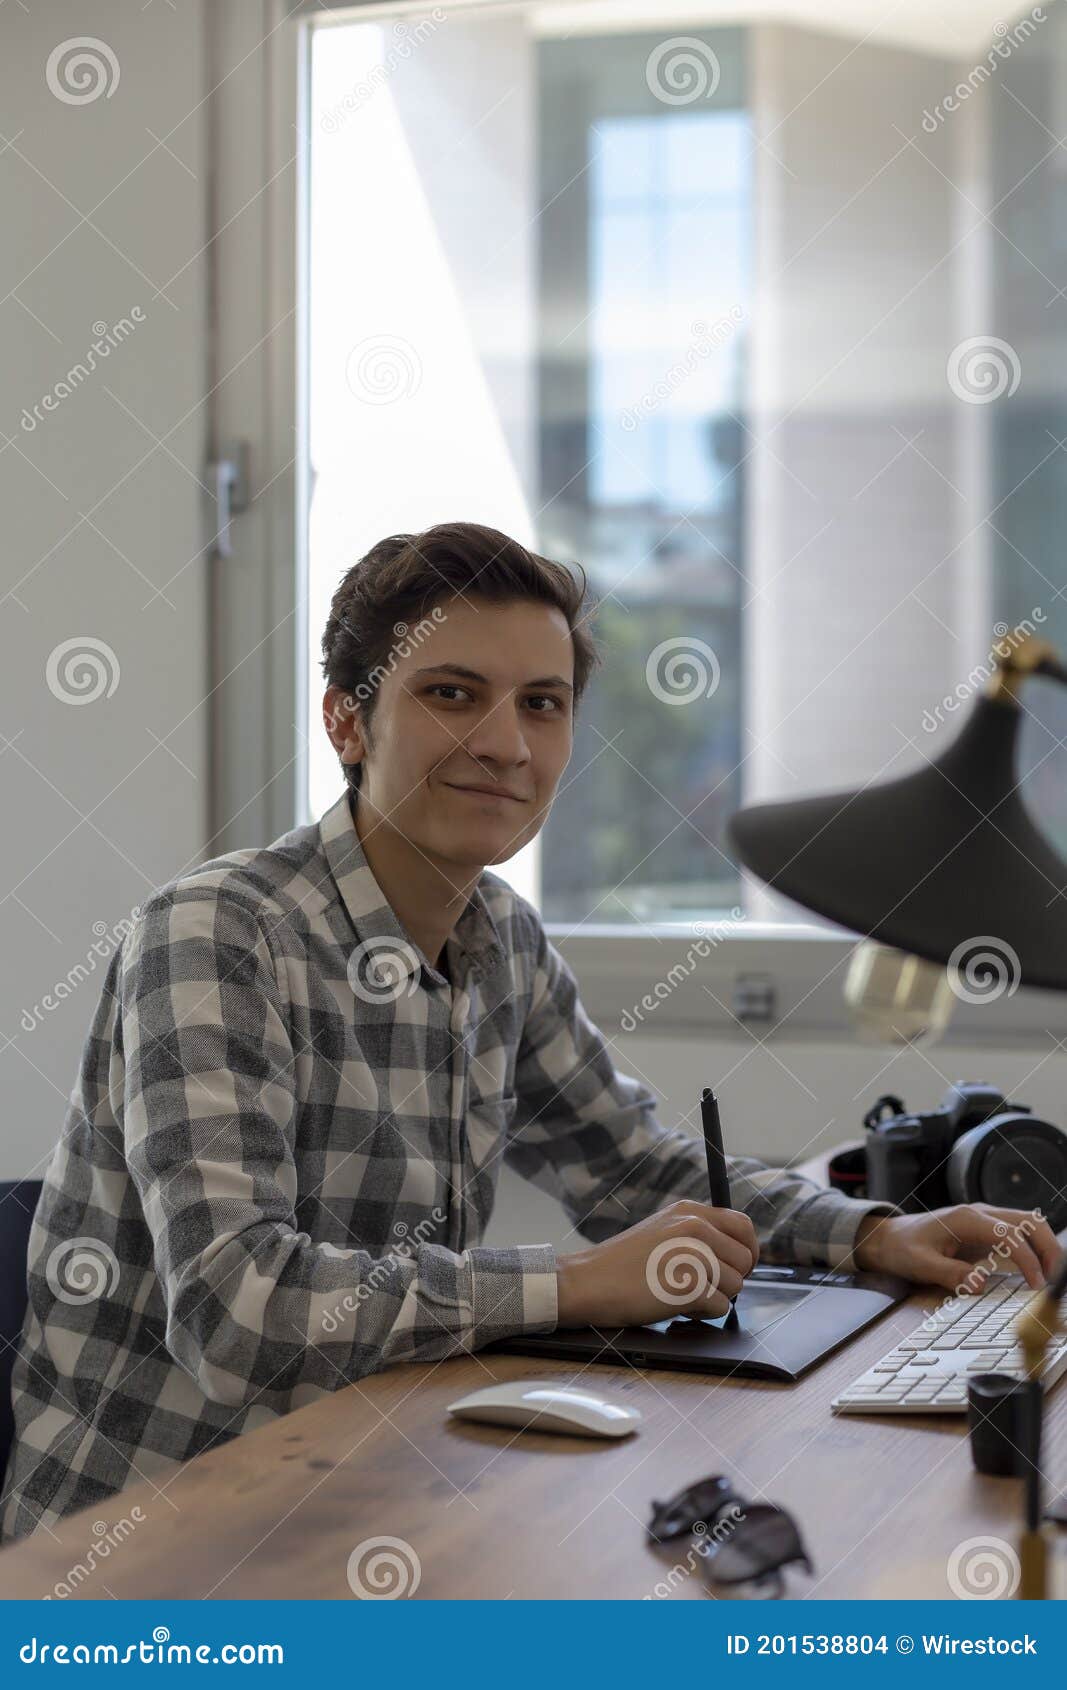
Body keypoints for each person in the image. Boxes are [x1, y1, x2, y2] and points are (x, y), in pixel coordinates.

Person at [2, 521, 1061, 1541]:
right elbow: (238, 1313)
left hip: (374, 1482)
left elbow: (633, 1165)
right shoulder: (217, 935)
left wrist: (876, 1233)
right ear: (346, 721)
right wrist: (576, 1281)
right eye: (452, 694)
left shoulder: (497, 934)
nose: (505, 744)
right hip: (154, 1546)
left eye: (541, 704)